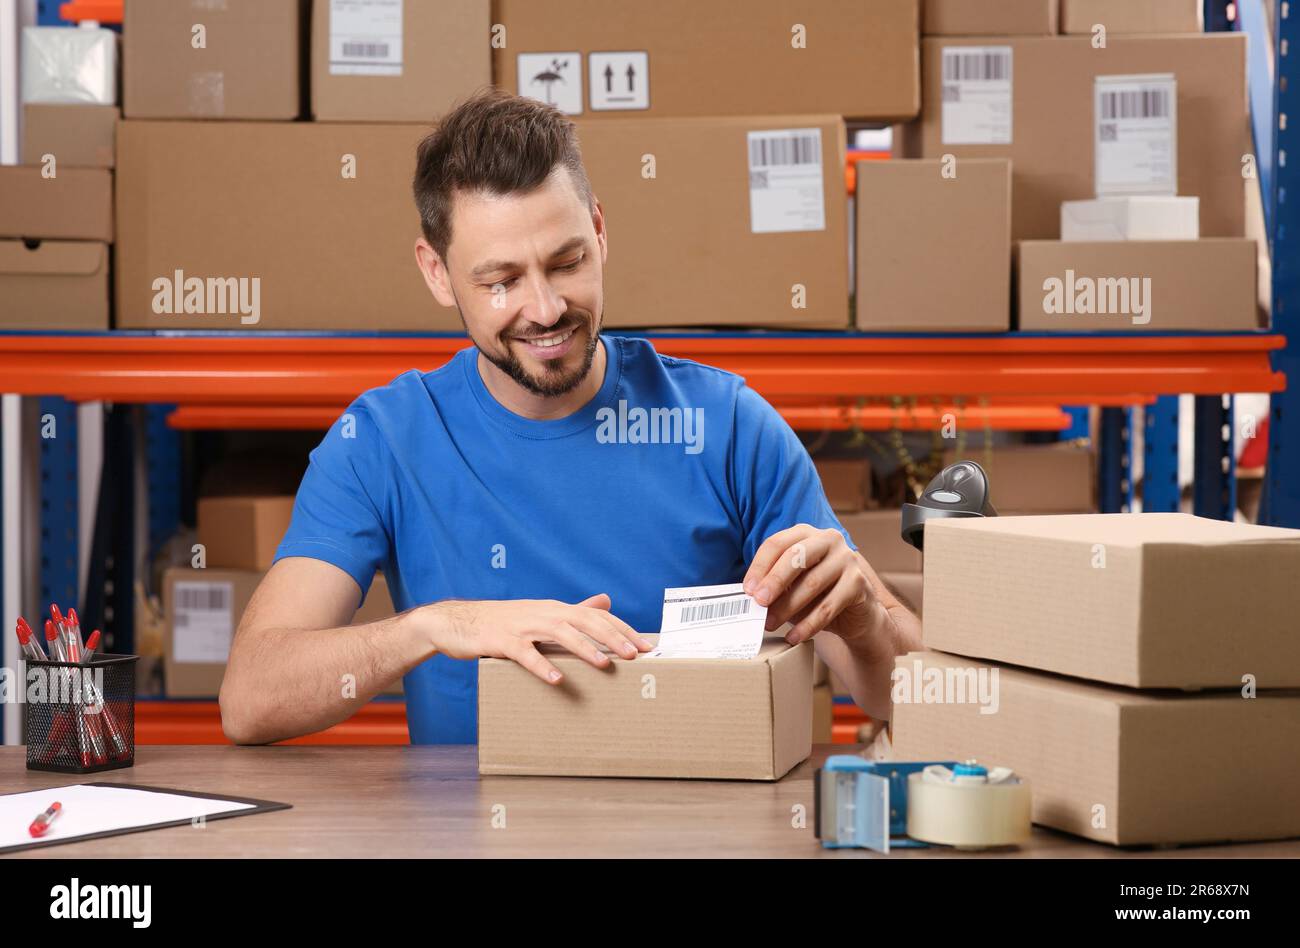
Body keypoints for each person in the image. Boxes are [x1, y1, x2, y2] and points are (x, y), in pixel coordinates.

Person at [219, 90, 921, 745]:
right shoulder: (381, 441)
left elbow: (914, 697)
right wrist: (435, 627)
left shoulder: (728, 426)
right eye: (501, 281)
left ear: (600, 229)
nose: (547, 308)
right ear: (437, 273)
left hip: (693, 829)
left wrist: (864, 623)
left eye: (566, 262)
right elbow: (250, 699)